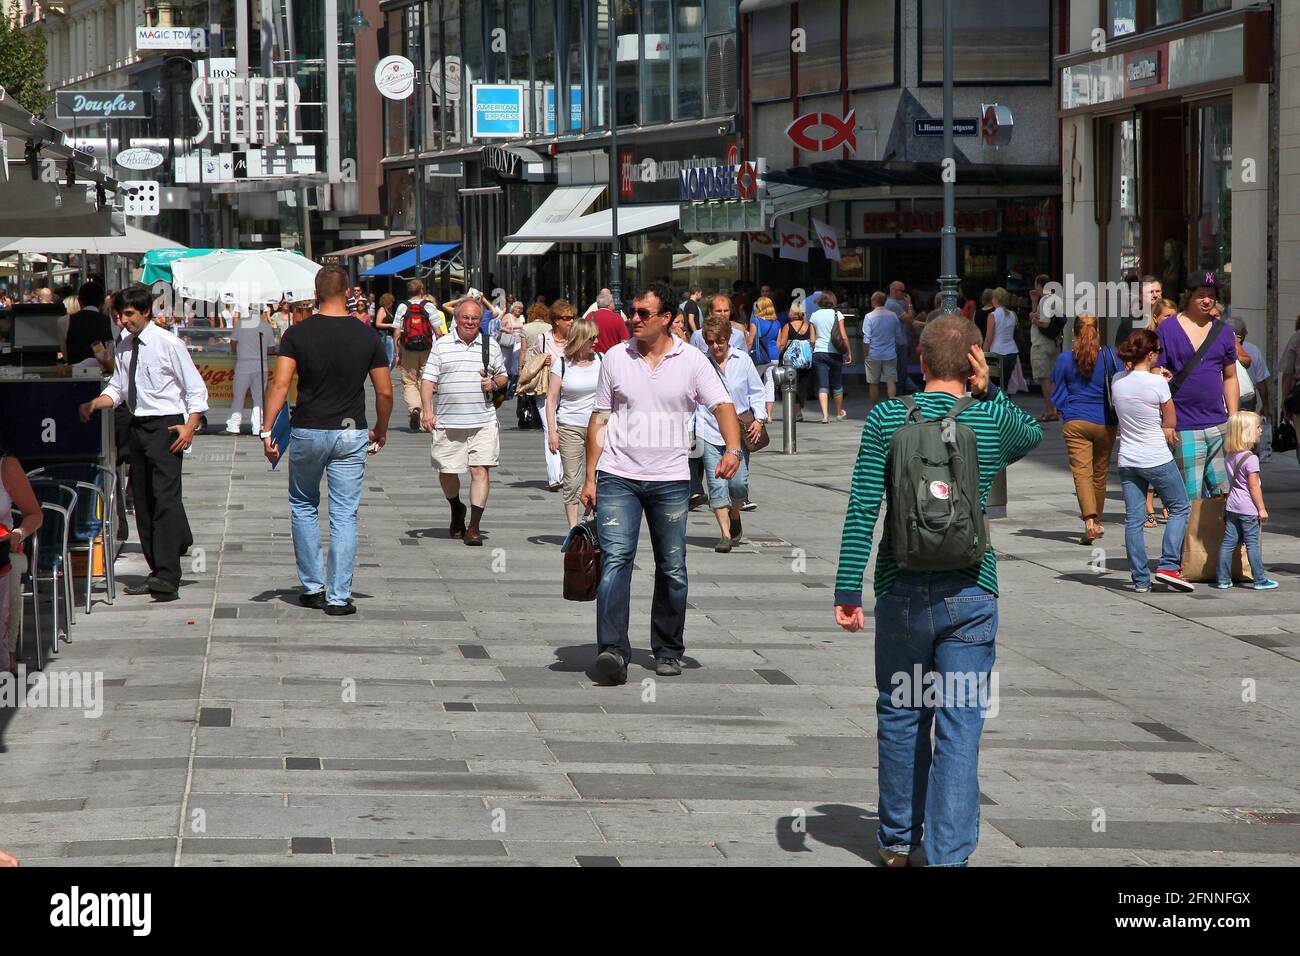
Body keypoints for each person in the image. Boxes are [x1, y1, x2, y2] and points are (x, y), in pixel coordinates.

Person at [833, 314, 1042, 868]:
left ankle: (899, 841)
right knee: (961, 723)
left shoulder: (884, 418)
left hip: (900, 592)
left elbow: (861, 510)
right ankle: (949, 856)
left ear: (919, 361)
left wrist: (847, 588)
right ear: (974, 357)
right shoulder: (989, 420)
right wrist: (989, 386)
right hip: (972, 593)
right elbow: (1033, 433)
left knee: (902, 714)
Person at [581, 282, 742, 685]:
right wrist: (590, 476)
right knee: (616, 562)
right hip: (618, 476)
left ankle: (668, 649)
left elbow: (722, 405)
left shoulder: (692, 361)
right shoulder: (616, 357)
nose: (632, 319)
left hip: (670, 480)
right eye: (631, 312)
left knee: (672, 567)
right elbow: (599, 418)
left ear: (666, 318)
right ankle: (613, 651)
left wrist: (733, 450)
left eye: (642, 313)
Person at [261, 266, 392, 615]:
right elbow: (385, 391)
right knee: (344, 514)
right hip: (351, 432)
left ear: (316, 293)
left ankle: (312, 587)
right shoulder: (367, 337)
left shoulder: (297, 334)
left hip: (308, 429)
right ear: (348, 292)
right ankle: (338, 597)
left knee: (303, 505)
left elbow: (279, 385)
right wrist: (381, 428)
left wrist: (266, 429)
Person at [78, 286, 207, 600]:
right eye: (120, 315)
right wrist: (96, 402)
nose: (123, 321)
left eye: (129, 314)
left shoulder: (168, 344)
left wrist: (189, 428)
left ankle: (167, 575)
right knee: (144, 504)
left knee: (164, 499)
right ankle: (157, 570)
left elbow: (195, 390)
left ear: (146, 312)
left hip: (165, 426)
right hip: (138, 426)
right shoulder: (124, 344)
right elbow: (119, 387)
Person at [419, 299, 508, 546]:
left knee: (480, 470)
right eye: (465, 318)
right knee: (447, 471)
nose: (470, 322)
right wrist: (427, 411)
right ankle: (456, 507)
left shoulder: (490, 345)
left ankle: (474, 527)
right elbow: (427, 381)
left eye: (475, 318)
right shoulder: (442, 345)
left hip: (483, 420)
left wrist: (494, 383)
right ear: (455, 319)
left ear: (481, 320)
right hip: (448, 421)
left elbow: (503, 376)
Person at [1111, 329, 1193, 593]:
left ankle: (1140, 580)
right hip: (1155, 456)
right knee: (1180, 507)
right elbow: (1170, 420)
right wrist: (1162, 381)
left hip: (1128, 458)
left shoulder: (1117, 380)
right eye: (1157, 351)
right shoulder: (1158, 384)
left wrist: (1157, 376)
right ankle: (1169, 565)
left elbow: (1135, 382)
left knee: (1134, 519)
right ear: (1150, 353)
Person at [1157, 272, 1239, 500]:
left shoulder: (1223, 331)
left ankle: (1218, 537)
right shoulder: (1168, 329)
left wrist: (1233, 417)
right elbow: (1156, 373)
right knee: (1189, 495)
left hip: (1218, 425)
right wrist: (1167, 421)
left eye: (1211, 296)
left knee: (1223, 495)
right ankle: (1190, 537)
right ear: (1188, 296)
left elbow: (1230, 376)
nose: (1206, 300)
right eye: (1201, 295)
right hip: (1185, 426)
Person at [697, 314, 766, 553]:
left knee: (738, 485)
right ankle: (725, 534)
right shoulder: (701, 363)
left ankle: (735, 513)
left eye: (721, 341)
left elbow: (757, 392)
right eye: (711, 342)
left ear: (729, 339)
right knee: (716, 484)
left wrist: (759, 418)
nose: (716, 346)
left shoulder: (743, 360)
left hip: (737, 432)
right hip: (708, 430)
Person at [1052, 314, 1117, 544]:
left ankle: (1089, 522)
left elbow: (1057, 393)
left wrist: (1065, 412)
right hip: (1105, 422)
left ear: (1074, 333)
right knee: (1099, 476)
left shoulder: (1064, 359)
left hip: (1076, 421)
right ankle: (1096, 521)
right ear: (1097, 331)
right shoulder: (1110, 357)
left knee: (1082, 474)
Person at [545, 318, 601, 527]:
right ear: (579, 339)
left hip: (599, 425)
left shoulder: (602, 360)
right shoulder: (561, 364)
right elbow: (551, 401)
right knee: (572, 479)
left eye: (597, 337)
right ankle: (574, 528)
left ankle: (595, 523)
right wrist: (552, 432)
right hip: (569, 425)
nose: (596, 341)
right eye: (591, 338)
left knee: (597, 477)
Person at [1216, 411, 1276, 590]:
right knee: (1252, 544)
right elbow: (1253, 487)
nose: (1260, 431)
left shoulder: (1230, 455)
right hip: (1248, 508)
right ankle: (1260, 579)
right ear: (1247, 432)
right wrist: (1262, 509)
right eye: (1258, 427)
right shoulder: (1251, 459)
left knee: (1228, 543)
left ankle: (1223, 579)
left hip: (1232, 506)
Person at [521, 299, 574, 491]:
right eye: (566, 318)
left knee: (566, 430)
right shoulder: (544, 338)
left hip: (569, 390)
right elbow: (531, 360)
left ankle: (567, 471)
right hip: (546, 390)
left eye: (572, 318)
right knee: (549, 429)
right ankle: (554, 476)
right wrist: (542, 360)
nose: (570, 321)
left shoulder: (575, 338)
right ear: (556, 320)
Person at [0, 446, 42, 673]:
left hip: (5, 546)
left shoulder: (6, 466)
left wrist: (19, 533)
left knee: (12, 569)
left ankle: (8, 650)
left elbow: (35, 514)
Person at [393, 280, 444, 432]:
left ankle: (415, 408)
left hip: (408, 349)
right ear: (422, 290)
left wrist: (397, 354)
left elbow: (396, 332)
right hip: (427, 350)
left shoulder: (403, 307)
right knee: (426, 381)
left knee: (409, 382)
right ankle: (425, 421)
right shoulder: (429, 306)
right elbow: (438, 332)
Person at [225, 306, 275, 435]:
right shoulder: (266, 326)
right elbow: (271, 350)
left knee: (239, 397)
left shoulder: (241, 324)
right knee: (259, 399)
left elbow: (233, 343)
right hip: (261, 365)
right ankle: (257, 427)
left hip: (243, 364)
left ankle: (233, 426)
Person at [809, 291, 850, 423]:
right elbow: (843, 336)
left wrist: (812, 350)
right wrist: (848, 352)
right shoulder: (838, 314)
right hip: (835, 353)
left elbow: (812, 339)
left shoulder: (814, 316)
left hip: (819, 353)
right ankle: (838, 413)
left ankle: (825, 416)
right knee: (837, 383)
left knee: (823, 385)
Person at [861, 291, 907, 407]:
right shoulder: (893, 316)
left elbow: (866, 339)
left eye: (872, 300)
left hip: (873, 354)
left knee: (873, 383)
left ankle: (874, 408)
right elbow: (898, 336)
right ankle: (892, 406)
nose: (870, 301)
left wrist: (866, 354)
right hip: (890, 354)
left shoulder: (869, 317)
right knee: (891, 381)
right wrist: (895, 348)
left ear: (875, 301)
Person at [1026, 275, 1062, 422]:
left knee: (1044, 378)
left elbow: (1044, 323)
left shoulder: (1045, 300)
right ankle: (1053, 409)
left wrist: (1034, 320)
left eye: (1037, 286)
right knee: (1052, 378)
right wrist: (1034, 303)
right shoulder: (1056, 299)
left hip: (1041, 344)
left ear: (1041, 286)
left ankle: (1049, 410)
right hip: (1054, 343)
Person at [61, 280, 113, 365]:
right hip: (103, 374)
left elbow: (66, 355)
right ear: (102, 302)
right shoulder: (110, 322)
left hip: (74, 375)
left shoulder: (64, 321)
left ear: (79, 301)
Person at [750, 296, 785, 421]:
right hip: (774, 357)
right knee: (769, 384)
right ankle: (769, 415)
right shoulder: (777, 323)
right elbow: (779, 343)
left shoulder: (756, 321)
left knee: (754, 383)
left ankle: (758, 412)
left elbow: (751, 340)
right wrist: (776, 354)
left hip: (760, 357)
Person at [982, 288, 1022, 394]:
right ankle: (1005, 405)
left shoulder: (993, 315)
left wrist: (983, 355)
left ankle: (998, 406)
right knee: (1005, 385)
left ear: (994, 299)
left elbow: (988, 339)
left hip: (997, 353)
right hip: (1012, 352)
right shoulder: (1013, 314)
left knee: (995, 384)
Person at [1230, 316, 1268, 416]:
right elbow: (1261, 382)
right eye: (1245, 330)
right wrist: (1265, 405)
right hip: (1247, 397)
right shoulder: (1253, 350)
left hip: (1226, 397)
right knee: (1246, 428)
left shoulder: (1218, 347)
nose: (1247, 332)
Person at [590, 289, 630, 354]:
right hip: (612, 356)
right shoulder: (617, 318)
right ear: (610, 304)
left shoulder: (590, 316)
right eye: (613, 302)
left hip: (593, 356)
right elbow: (625, 341)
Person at [500, 301, 526, 394]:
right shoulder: (508, 316)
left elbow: (524, 329)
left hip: (519, 342)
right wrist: (508, 330)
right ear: (513, 308)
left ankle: (513, 387)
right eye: (517, 308)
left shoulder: (522, 318)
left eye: (521, 308)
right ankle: (504, 385)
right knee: (506, 362)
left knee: (515, 363)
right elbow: (499, 327)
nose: (519, 310)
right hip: (508, 342)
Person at [374, 293, 398, 368]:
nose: (392, 304)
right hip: (386, 336)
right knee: (389, 360)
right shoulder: (382, 310)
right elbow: (377, 324)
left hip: (390, 336)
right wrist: (390, 325)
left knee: (392, 360)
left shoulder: (388, 311)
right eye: (391, 302)